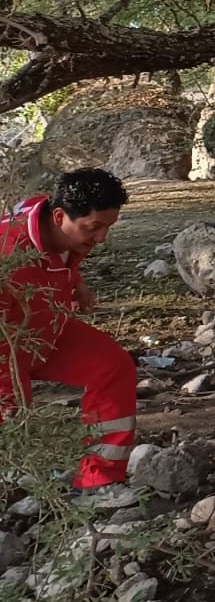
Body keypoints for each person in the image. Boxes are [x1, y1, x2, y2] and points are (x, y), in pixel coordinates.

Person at [0, 169, 134, 501]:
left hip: (48, 328)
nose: (101, 238)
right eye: (94, 227)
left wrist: (76, 283)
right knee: (9, 411)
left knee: (112, 366)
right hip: (7, 344)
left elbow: (60, 253)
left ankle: (99, 480)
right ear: (60, 217)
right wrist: (11, 388)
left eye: (108, 227)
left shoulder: (53, 219)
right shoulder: (7, 254)